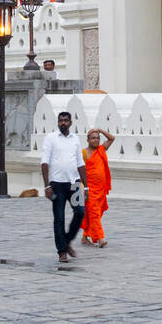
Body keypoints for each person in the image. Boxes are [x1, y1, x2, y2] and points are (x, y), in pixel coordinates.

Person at [40, 111, 86, 262]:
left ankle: (66, 241)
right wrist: (47, 186)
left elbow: (80, 162)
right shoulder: (51, 138)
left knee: (80, 212)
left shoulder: (75, 139)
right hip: (57, 183)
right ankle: (62, 251)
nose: (63, 123)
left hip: (74, 183)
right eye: (60, 121)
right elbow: (45, 162)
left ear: (70, 123)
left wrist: (85, 187)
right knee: (59, 218)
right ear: (58, 122)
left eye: (66, 120)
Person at [81, 127, 116, 247]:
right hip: (89, 189)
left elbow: (112, 138)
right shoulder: (84, 153)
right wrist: (82, 187)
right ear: (88, 140)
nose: (96, 140)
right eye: (93, 138)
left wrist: (100, 130)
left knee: (95, 213)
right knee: (94, 213)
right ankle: (101, 238)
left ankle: (85, 237)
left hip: (101, 189)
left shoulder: (101, 149)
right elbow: (79, 171)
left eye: (97, 138)